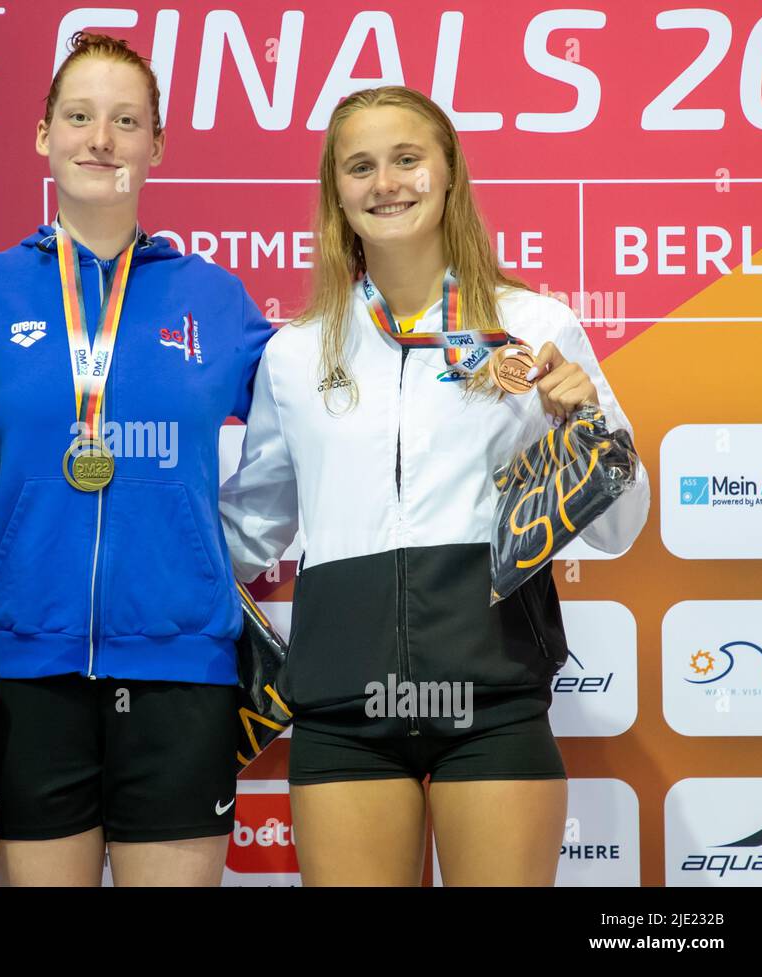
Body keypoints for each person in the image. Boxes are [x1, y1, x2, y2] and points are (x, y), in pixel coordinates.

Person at [219, 86, 650, 886]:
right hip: (345, 710)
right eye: (360, 166)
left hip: (491, 701)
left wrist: (588, 424)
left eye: (408, 159)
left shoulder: (537, 327)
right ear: (335, 191)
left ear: (448, 172)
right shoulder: (296, 353)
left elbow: (618, 528)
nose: (386, 182)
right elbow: (250, 532)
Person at [0, 32, 273, 886]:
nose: (102, 140)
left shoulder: (215, 295)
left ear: (156, 146)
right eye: (80, 117)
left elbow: (327, 409)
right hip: (24, 665)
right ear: (41, 135)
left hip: (180, 665)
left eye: (127, 121)